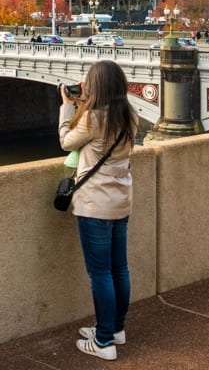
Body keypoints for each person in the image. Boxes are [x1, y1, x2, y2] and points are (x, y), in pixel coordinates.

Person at [59, 60, 140, 361]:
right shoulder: (129, 115)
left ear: (97, 87)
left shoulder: (93, 118)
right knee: (120, 268)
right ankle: (115, 328)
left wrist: (69, 105)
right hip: (121, 200)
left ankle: (104, 341)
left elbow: (66, 141)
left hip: (95, 204)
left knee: (100, 274)